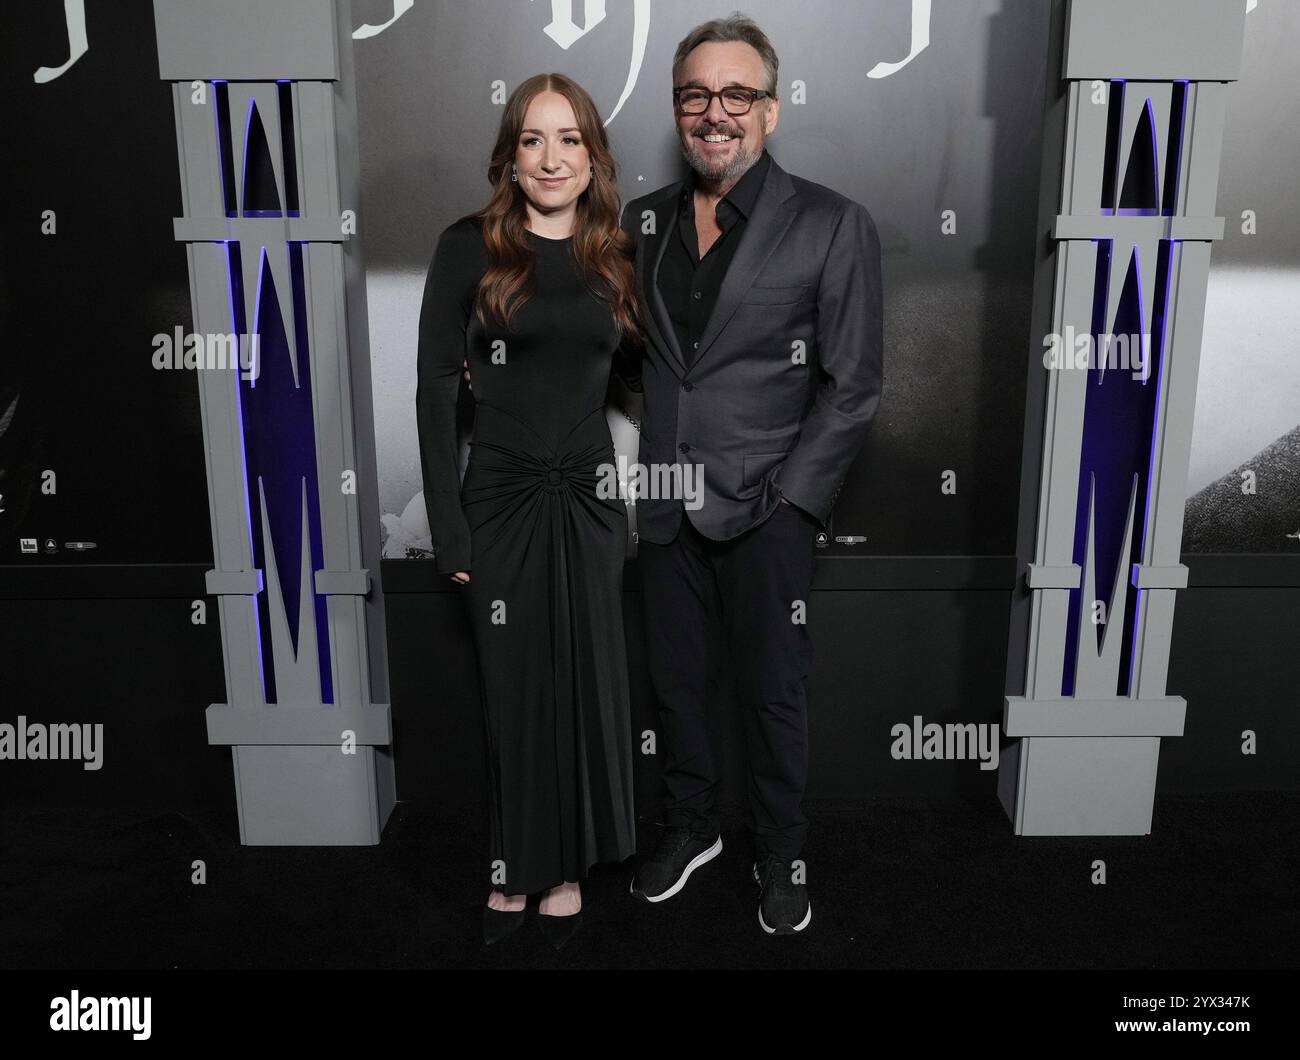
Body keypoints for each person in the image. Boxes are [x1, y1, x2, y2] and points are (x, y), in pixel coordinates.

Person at [622, 15, 883, 934]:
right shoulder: (641, 220)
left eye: (737, 95)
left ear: (770, 109)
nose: (714, 113)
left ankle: (783, 849)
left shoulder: (832, 222)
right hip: (663, 508)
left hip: (768, 507)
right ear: (679, 109)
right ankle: (692, 827)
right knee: (676, 687)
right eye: (696, 95)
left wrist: (793, 505)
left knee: (772, 695)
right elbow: (638, 359)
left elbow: (853, 387)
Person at [416, 73, 644, 949]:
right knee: (514, 693)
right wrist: (450, 529)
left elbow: (641, 374)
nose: (552, 158)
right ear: (511, 157)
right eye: (534, 140)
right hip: (500, 499)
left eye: (570, 141)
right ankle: (515, 866)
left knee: (584, 683)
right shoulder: (466, 247)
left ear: (592, 159)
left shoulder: (615, 256)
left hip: (587, 499)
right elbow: (437, 395)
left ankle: (571, 866)